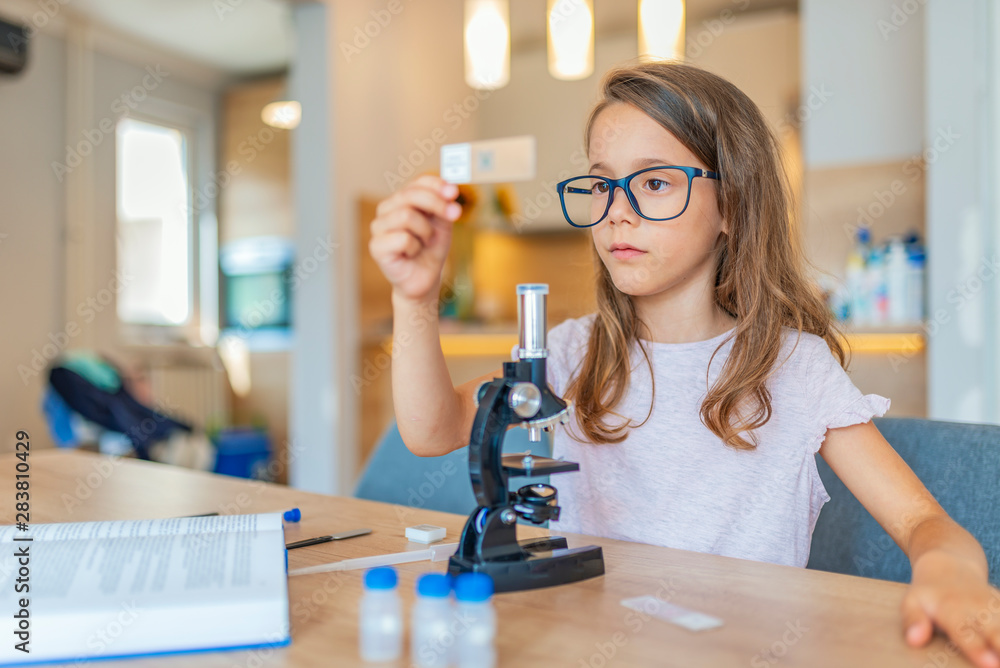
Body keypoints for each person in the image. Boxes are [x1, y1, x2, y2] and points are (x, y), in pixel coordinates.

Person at [368, 61, 1000, 667]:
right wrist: (415, 297)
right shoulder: (569, 354)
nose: (617, 208)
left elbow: (923, 522)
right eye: (601, 182)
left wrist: (951, 571)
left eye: (654, 182)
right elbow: (431, 430)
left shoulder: (796, 370)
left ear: (732, 206)